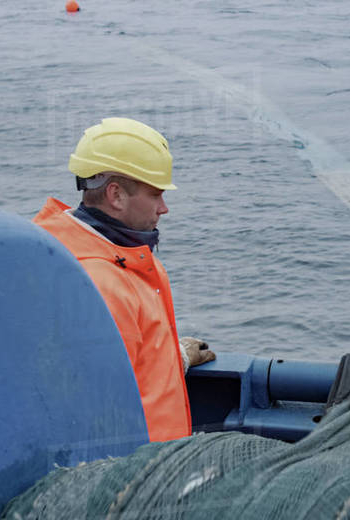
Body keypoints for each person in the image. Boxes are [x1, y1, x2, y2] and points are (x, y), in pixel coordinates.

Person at [33, 117, 215, 442]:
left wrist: (174, 357)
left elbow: (122, 366)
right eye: (156, 194)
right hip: (136, 478)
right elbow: (96, 412)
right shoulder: (100, 283)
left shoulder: (101, 253)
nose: (164, 208)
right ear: (116, 195)